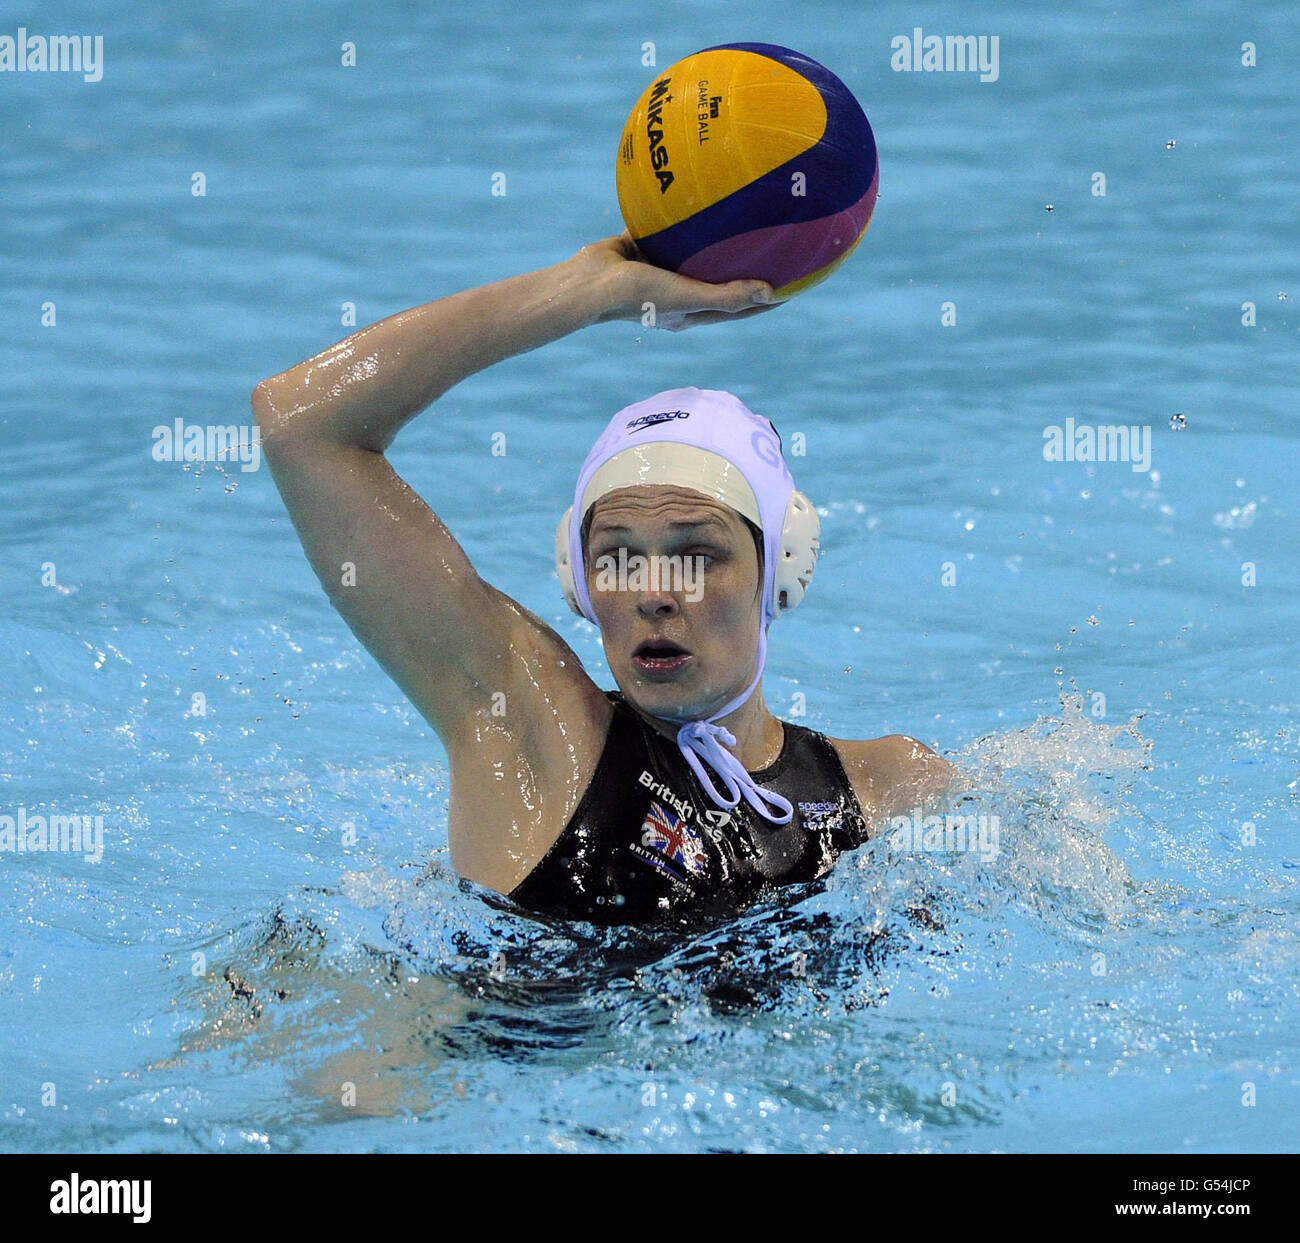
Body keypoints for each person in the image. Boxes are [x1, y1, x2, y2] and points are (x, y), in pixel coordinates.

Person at [252, 233, 954, 928]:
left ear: (780, 571)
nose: (653, 590)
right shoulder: (533, 731)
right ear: (579, 581)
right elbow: (303, 425)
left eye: (698, 554)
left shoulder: (890, 787)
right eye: (618, 556)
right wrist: (585, 294)